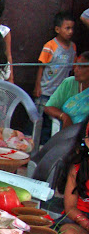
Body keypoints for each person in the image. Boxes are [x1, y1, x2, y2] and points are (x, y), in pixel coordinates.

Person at [35, 11, 77, 144]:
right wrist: (38, 86)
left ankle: (46, 145)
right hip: (46, 90)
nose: (70, 32)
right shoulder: (50, 46)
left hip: (60, 93)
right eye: (67, 28)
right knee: (39, 120)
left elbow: (73, 68)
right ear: (57, 29)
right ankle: (35, 145)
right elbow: (41, 66)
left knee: (52, 123)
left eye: (72, 28)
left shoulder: (73, 47)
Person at [56, 117, 89, 234]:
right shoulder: (77, 168)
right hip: (79, 218)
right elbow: (70, 207)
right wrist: (86, 224)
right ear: (86, 141)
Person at [44, 52, 89, 129]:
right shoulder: (69, 83)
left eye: (81, 67)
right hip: (68, 133)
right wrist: (64, 116)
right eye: (76, 65)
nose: (75, 70)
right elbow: (49, 107)